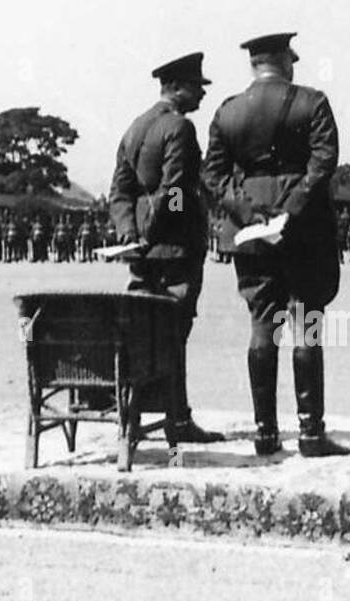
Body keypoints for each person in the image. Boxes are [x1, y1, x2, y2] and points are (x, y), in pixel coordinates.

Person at [203, 32, 349, 457]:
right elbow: (323, 163)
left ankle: (265, 432)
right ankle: (310, 433)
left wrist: (251, 214)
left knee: (262, 326)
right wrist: (291, 209)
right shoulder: (313, 102)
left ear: (254, 65)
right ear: (286, 62)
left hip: (251, 237)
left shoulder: (227, 111)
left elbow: (213, 176)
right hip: (306, 232)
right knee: (308, 326)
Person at [108, 51, 226, 443]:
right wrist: (156, 230)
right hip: (175, 248)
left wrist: (130, 234)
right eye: (197, 87)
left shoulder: (134, 128)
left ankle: (140, 413)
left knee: (144, 334)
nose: (201, 95)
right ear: (177, 87)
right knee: (174, 334)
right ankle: (177, 420)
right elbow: (174, 191)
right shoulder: (180, 128)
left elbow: (119, 193)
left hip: (141, 253)